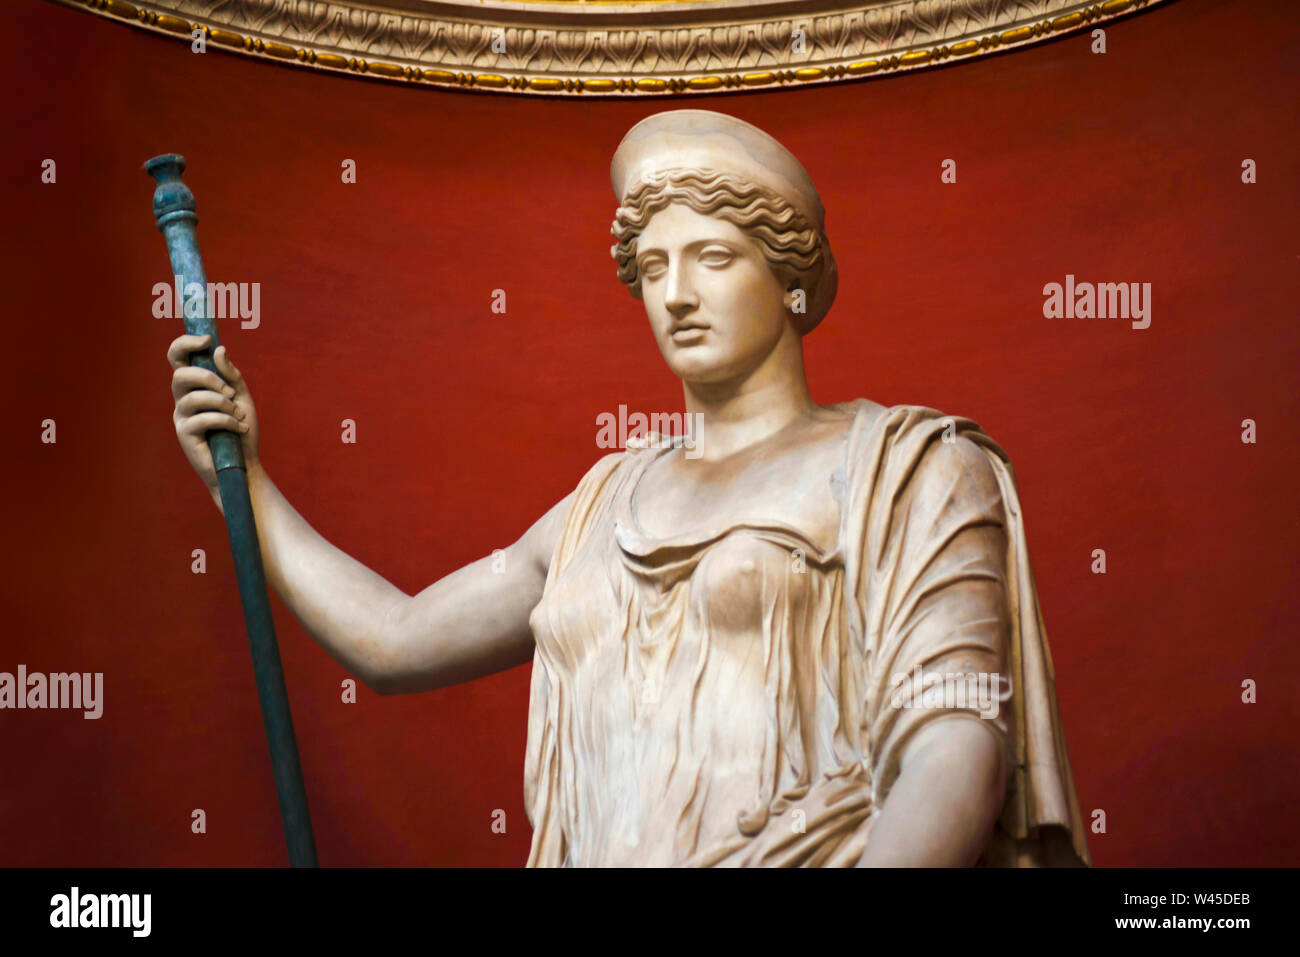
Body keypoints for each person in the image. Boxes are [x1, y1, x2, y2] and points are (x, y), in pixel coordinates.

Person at [168, 109, 1090, 867]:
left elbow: (954, 747)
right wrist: (240, 482)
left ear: (790, 280)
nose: (677, 294)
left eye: (714, 258)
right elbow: (396, 640)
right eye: (653, 267)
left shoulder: (909, 468)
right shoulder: (604, 504)